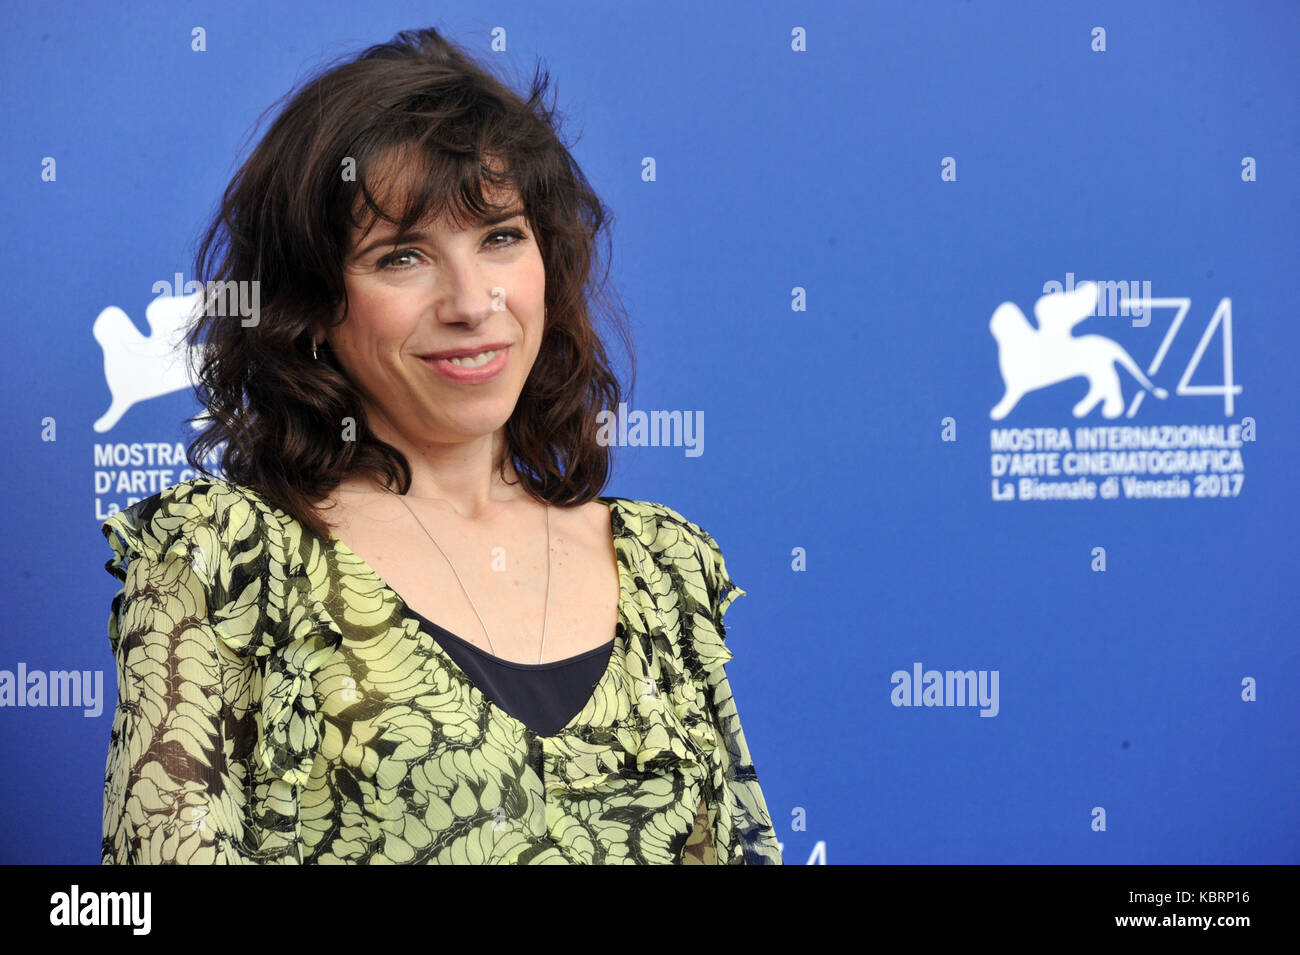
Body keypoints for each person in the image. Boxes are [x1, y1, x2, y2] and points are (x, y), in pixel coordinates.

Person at [99, 26, 781, 864]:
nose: (471, 301)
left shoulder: (661, 567)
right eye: (403, 256)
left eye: (499, 236)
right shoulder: (227, 559)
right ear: (311, 307)